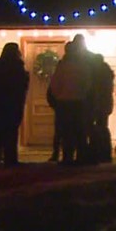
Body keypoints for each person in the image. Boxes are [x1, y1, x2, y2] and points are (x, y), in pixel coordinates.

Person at [47, 35, 92, 165]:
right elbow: (87, 83)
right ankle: (81, 157)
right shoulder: (83, 65)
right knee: (79, 131)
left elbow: (55, 83)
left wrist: (58, 96)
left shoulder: (62, 65)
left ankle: (67, 157)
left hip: (64, 102)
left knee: (66, 131)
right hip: (79, 101)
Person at [0, 42, 31, 166]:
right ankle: (10, 158)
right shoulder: (18, 67)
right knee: (11, 132)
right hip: (13, 104)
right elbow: (22, 85)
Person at [88, 49, 115, 163]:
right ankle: (104, 153)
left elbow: (96, 91)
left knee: (96, 129)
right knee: (103, 128)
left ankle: (97, 153)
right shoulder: (107, 73)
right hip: (106, 105)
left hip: (98, 104)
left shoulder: (97, 74)